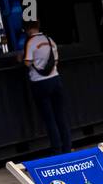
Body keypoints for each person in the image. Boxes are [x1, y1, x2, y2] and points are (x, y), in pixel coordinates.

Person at [22, 21, 72, 156]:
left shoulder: (30, 42)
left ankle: (57, 150)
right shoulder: (50, 40)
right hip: (55, 80)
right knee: (60, 115)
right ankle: (67, 147)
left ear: (27, 30)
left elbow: (27, 62)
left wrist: (19, 58)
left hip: (40, 83)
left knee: (49, 118)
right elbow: (56, 61)